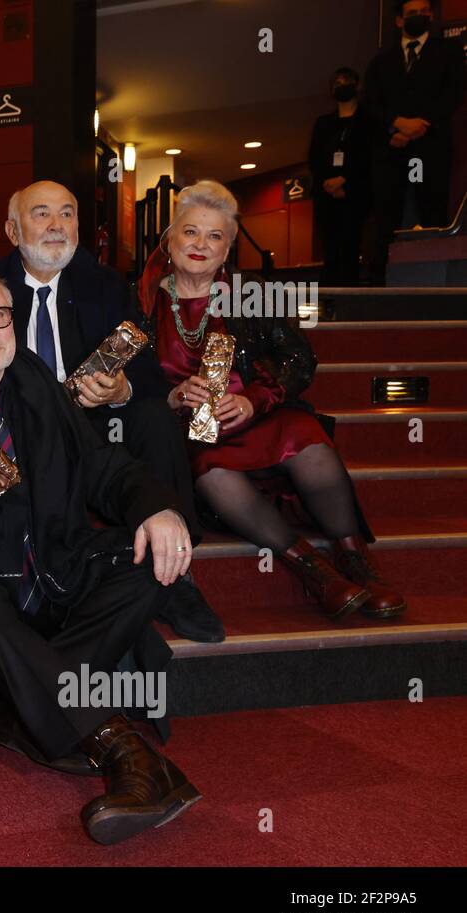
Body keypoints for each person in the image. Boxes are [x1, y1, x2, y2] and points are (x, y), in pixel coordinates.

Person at [0, 255, 202, 845]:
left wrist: (158, 506)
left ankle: (24, 712)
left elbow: (103, 468)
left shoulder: (38, 387)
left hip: (51, 571)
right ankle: (127, 754)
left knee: (154, 556)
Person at [139, 180, 405, 620]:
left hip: (258, 415)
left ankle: (355, 558)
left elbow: (300, 358)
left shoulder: (249, 292)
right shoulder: (142, 300)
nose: (200, 244)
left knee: (308, 438)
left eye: (215, 236)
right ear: (170, 239)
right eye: (190, 232)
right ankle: (316, 572)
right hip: (194, 434)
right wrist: (170, 396)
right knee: (211, 472)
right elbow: (129, 382)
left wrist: (255, 400)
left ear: (227, 251)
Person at [0, 180, 224, 644]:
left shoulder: (105, 286)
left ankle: (177, 572)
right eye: (41, 214)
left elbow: (151, 377)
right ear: (13, 230)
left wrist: (121, 389)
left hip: (97, 426)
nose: (57, 226)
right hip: (19, 429)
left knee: (155, 417)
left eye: (68, 213)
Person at [363, 0, 466, 279]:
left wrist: (420, 126)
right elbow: (370, 104)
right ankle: (378, 291)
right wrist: (397, 125)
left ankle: (432, 288)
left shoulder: (448, 52)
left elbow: (453, 94)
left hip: (431, 150)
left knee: (432, 215)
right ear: (399, 21)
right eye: (411, 14)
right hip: (391, 152)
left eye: (423, 12)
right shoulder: (380, 62)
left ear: (431, 16)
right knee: (386, 221)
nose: (418, 17)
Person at [308, 67, 374, 286]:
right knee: (330, 250)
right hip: (326, 197)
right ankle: (329, 304)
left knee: (350, 249)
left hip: (355, 196)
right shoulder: (324, 123)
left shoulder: (367, 121)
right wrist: (328, 184)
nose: (340, 85)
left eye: (346, 81)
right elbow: (315, 159)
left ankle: (348, 304)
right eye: (336, 82)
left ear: (357, 86)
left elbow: (369, 158)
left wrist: (345, 181)